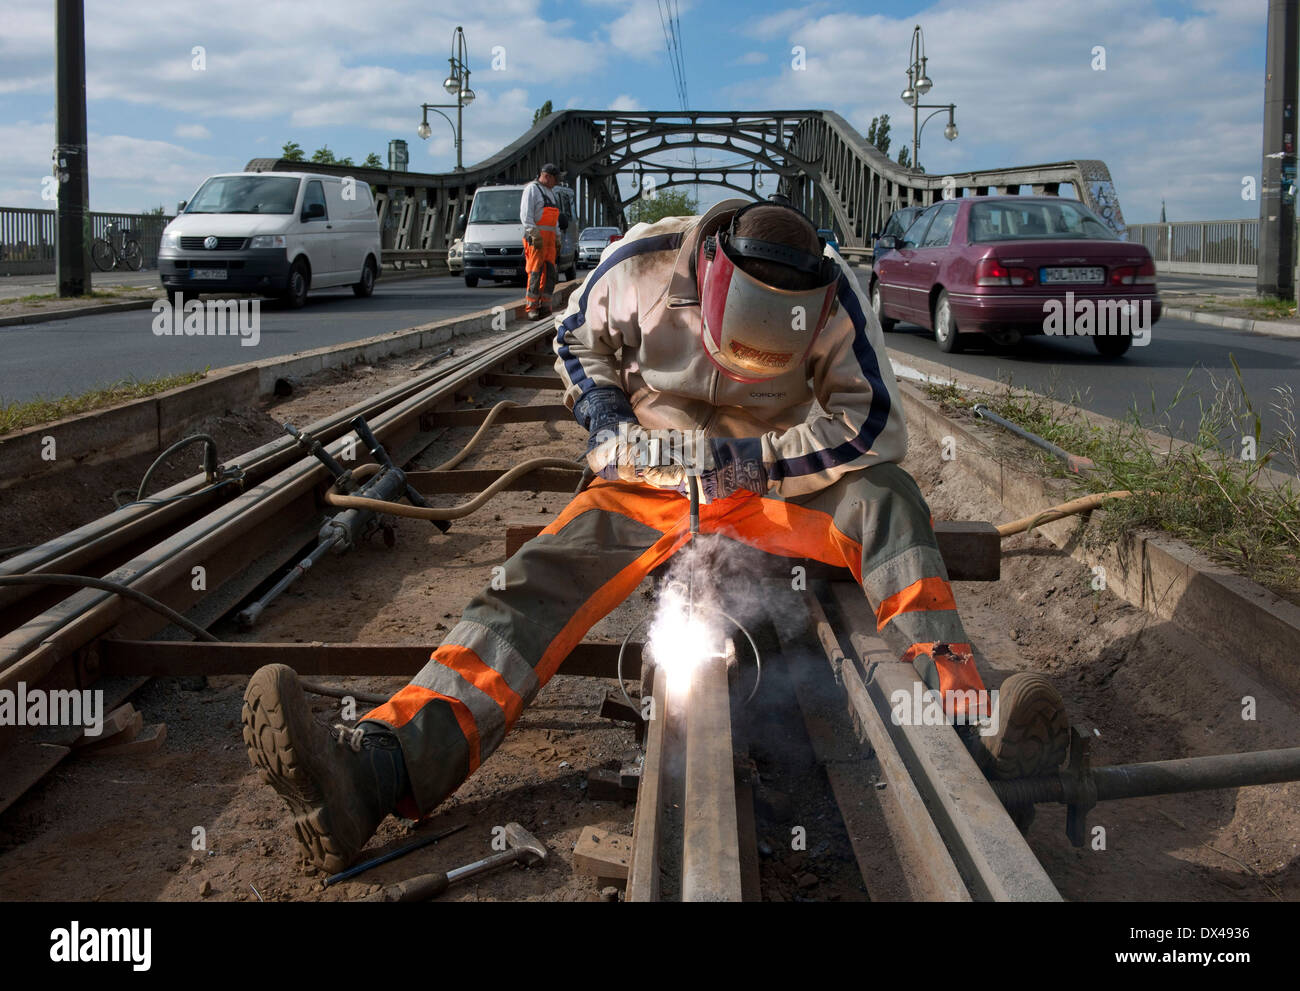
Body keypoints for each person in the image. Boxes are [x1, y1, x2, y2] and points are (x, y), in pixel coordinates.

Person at [242, 198, 1070, 873]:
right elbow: (573, 336)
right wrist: (603, 418)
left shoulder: (834, 292)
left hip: (767, 482)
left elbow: (873, 423)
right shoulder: (640, 262)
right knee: (538, 580)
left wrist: (756, 461)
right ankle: (381, 766)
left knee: (889, 500)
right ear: (706, 284)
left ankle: (972, 722)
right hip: (652, 475)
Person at [520, 163, 562, 320]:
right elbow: (526, 215)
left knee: (550, 272)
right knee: (535, 272)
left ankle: (545, 305)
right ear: (547, 176)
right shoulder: (532, 189)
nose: (557, 182)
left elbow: (555, 219)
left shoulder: (551, 193)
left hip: (550, 240)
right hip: (537, 238)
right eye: (555, 178)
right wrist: (533, 234)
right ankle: (532, 307)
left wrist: (557, 237)